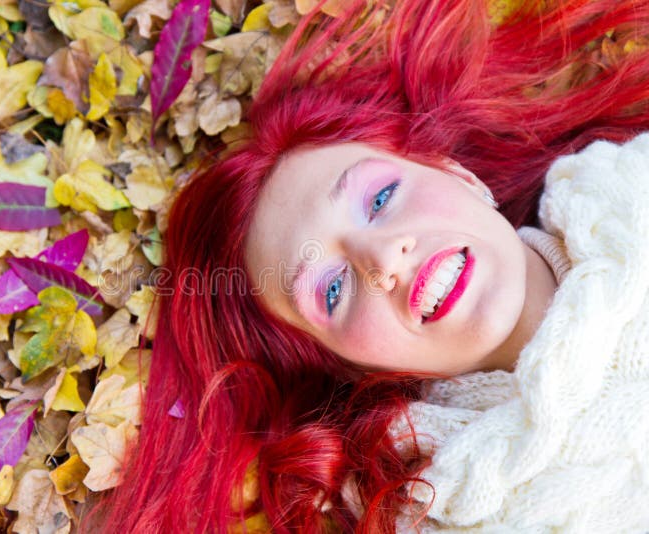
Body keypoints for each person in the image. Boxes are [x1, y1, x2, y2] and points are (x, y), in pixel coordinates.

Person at [91, 0, 649, 531]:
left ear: (456, 173)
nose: (382, 257)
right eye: (332, 290)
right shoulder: (446, 511)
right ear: (356, 368)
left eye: (380, 199)